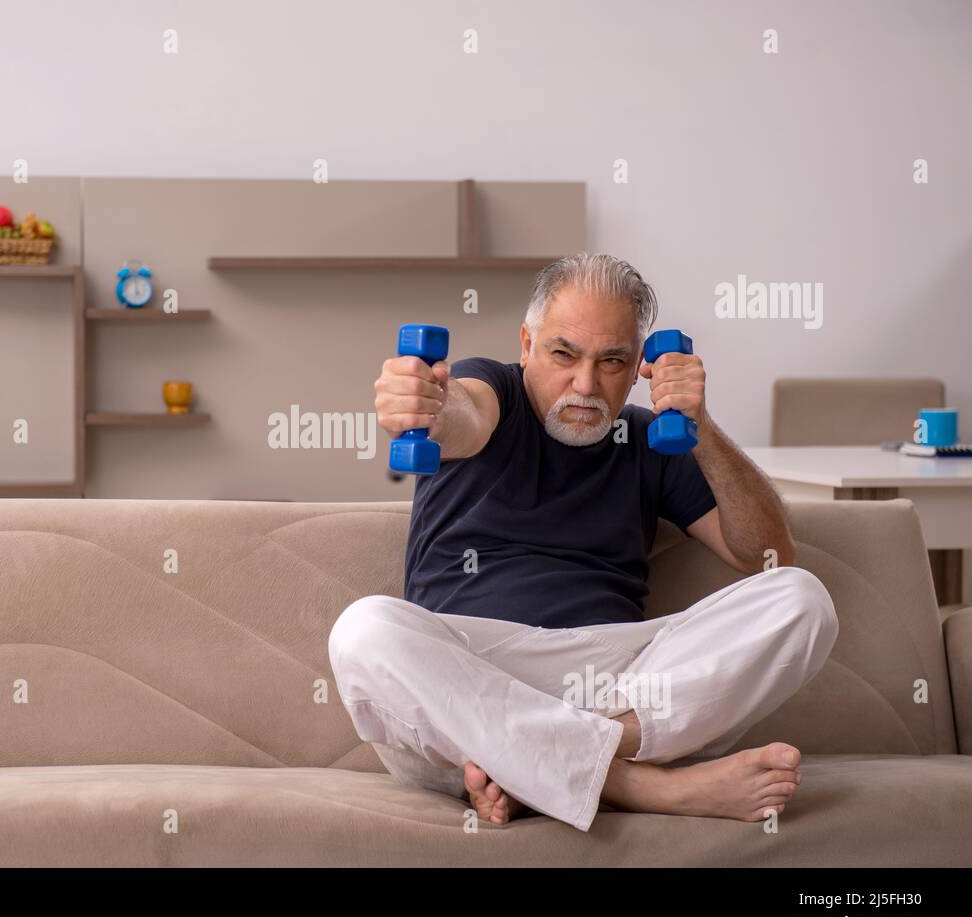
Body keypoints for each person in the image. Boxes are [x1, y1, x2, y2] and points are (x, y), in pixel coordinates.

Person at [328, 252, 838, 832]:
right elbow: (460, 415)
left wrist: (700, 425)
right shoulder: (491, 389)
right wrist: (429, 406)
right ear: (526, 345)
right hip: (471, 671)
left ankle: (534, 767)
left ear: (641, 364)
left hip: (613, 681)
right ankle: (640, 785)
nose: (586, 384)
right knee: (363, 630)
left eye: (612, 360)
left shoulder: (651, 438)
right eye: (563, 353)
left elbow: (767, 556)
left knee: (803, 599)